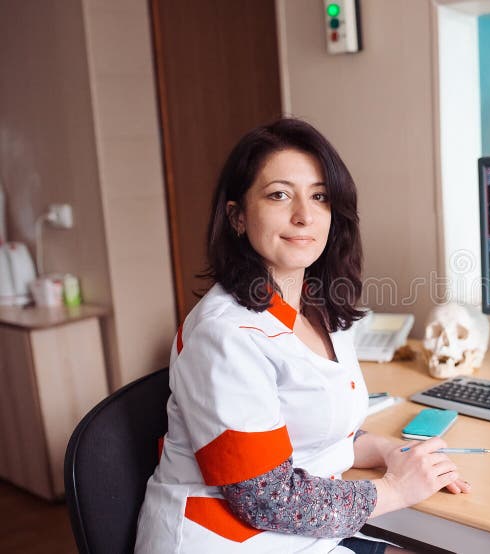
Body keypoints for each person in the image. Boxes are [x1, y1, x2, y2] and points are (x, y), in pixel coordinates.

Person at [135, 118, 470, 554]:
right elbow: (266, 497)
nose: (304, 215)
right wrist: (395, 491)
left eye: (319, 196)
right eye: (279, 195)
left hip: (304, 535)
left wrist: (392, 453)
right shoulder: (225, 334)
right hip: (230, 542)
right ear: (237, 216)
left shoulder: (317, 306)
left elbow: (315, 432)